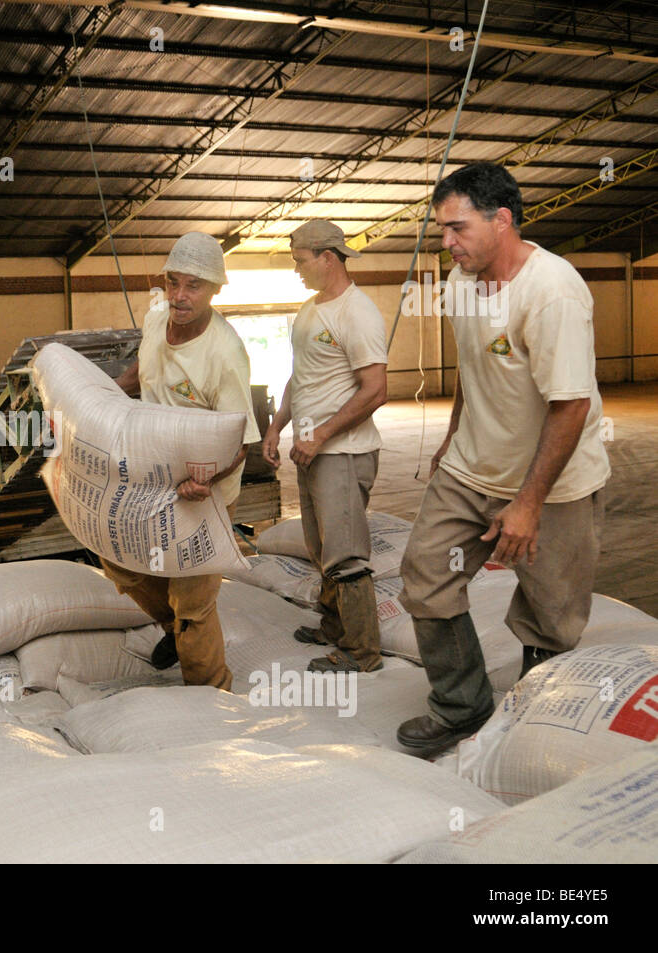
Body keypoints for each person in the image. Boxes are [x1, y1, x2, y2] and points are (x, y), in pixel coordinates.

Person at [395, 162, 610, 755]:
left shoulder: (553, 292)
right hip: (470, 469)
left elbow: (569, 407)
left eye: (457, 228)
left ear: (503, 220)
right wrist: (452, 436)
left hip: (554, 482)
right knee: (427, 576)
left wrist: (528, 503)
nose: (447, 243)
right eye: (441, 229)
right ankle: (462, 706)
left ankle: (533, 732)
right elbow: (473, 366)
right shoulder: (463, 282)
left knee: (552, 615)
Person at [103, 231, 261, 692]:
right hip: (150, 479)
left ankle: (213, 697)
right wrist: (96, 398)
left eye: (193, 286)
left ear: (215, 289)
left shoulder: (225, 353)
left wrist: (206, 480)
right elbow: (140, 375)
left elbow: (240, 443)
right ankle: (174, 628)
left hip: (204, 490)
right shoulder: (156, 322)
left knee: (193, 602)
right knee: (121, 565)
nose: (178, 296)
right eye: (172, 283)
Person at [262, 220, 389, 674]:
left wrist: (321, 435)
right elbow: (302, 376)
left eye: (301, 261)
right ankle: (335, 627)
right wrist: (278, 425)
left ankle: (361, 651)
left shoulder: (358, 313)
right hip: (313, 451)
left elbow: (375, 389)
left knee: (346, 552)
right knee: (321, 548)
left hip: (343, 453)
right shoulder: (311, 309)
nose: (297, 269)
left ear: (328, 257)